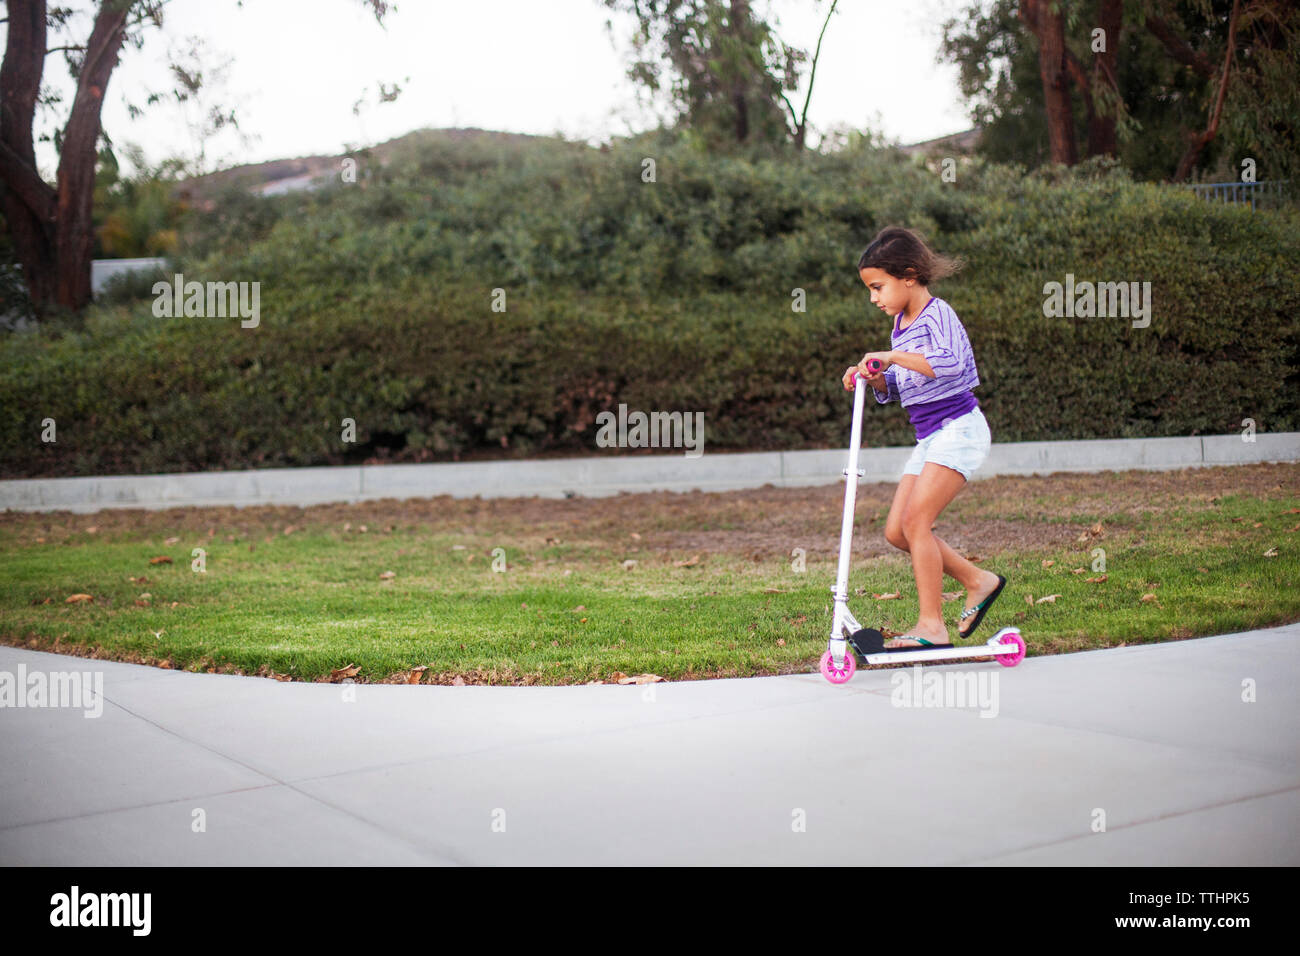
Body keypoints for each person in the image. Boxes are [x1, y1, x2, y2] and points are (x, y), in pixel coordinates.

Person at [840, 226, 1006, 649]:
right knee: (897, 531)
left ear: (909, 276)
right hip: (931, 436)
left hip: (960, 428)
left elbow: (949, 364)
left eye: (878, 287)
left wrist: (891, 356)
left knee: (917, 522)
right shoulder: (900, 324)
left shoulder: (938, 314)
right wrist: (875, 378)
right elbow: (898, 385)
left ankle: (932, 626)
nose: (874, 298)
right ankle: (978, 580)